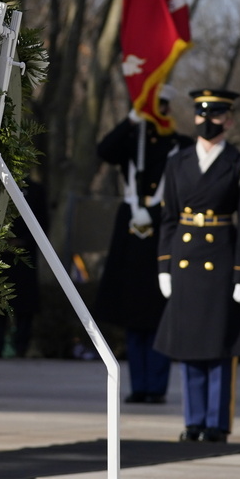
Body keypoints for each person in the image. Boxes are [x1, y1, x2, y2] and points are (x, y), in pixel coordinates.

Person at [154, 88, 240, 443]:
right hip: (185, 262)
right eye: (201, 114)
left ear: (228, 120)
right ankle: (193, 420)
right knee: (189, 344)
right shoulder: (177, 161)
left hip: (221, 261)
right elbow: (169, 219)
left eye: (214, 115)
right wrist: (164, 266)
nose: (206, 121)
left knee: (219, 346)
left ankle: (216, 423)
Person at [95, 88, 192, 403]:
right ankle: (139, 385)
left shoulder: (178, 145)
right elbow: (105, 151)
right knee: (133, 314)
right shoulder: (131, 141)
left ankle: (157, 386)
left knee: (159, 313)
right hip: (131, 228)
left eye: (159, 108)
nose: (156, 114)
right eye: (150, 108)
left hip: (164, 224)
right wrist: (130, 119)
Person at [0, 178, 48, 359]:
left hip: (26, 257)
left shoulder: (36, 191)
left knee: (25, 305)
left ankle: (21, 346)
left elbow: (42, 222)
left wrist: (23, 242)